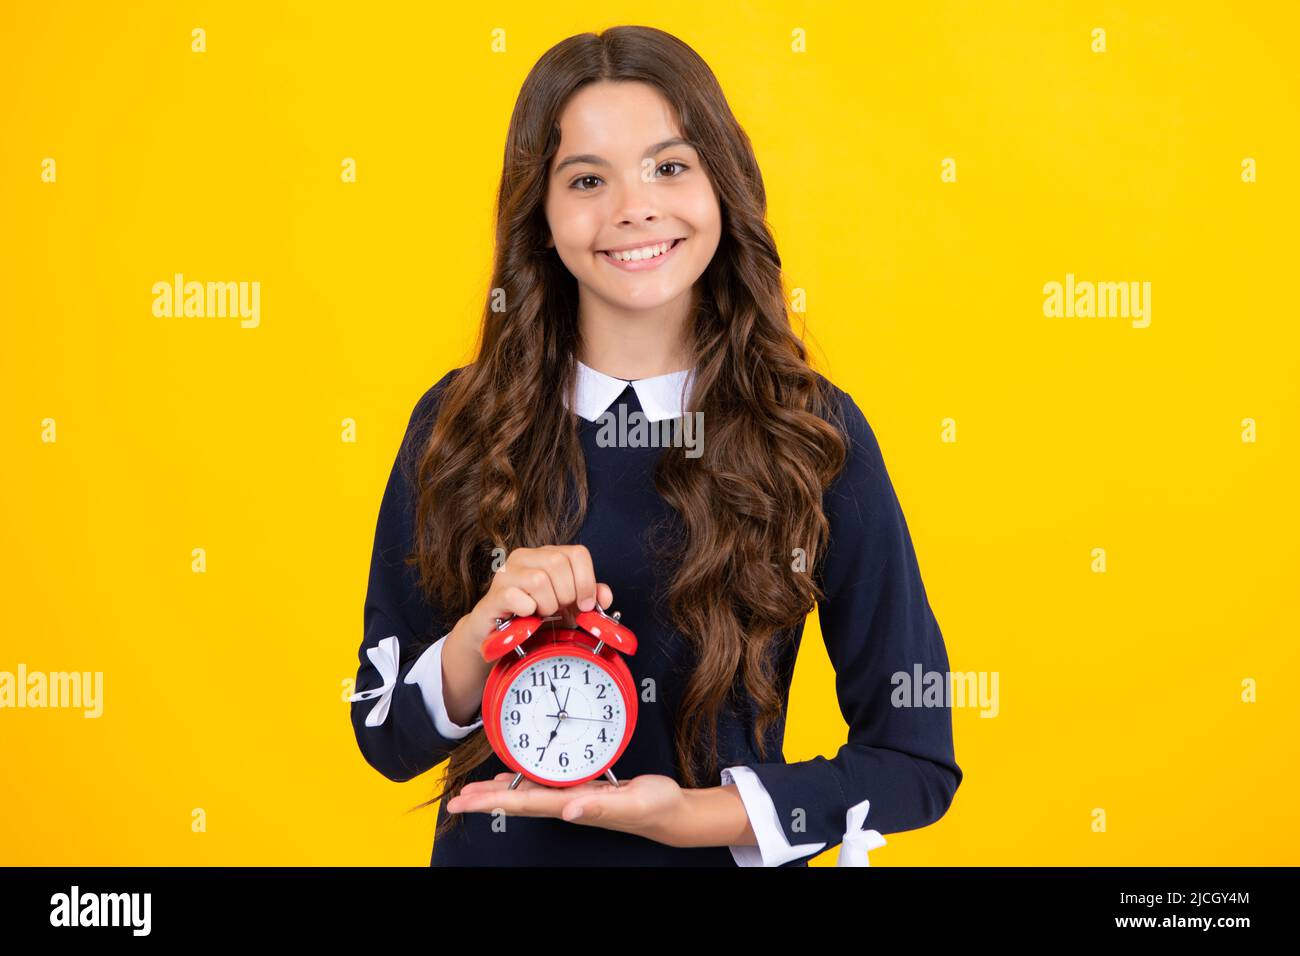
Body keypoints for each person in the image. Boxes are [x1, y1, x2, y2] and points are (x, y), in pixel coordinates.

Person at [348, 24, 961, 866]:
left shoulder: (813, 434)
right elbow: (382, 732)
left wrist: (690, 818)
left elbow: (913, 764)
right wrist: (479, 629)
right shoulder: (456, 423)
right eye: (587, 179)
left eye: (669, 167)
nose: (632, 206)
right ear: (543, 214)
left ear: (722, 186)